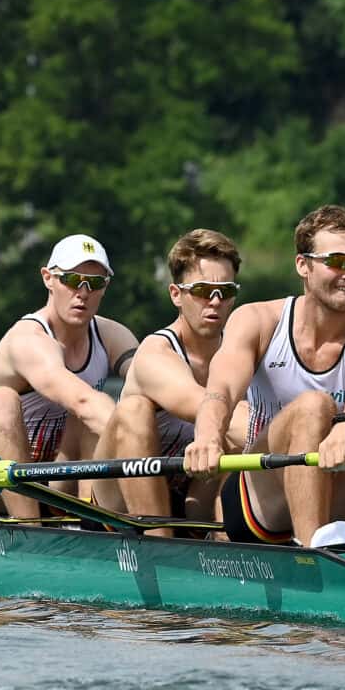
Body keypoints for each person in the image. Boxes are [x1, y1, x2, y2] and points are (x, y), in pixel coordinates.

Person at [186, 204, 345, 546]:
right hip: (260, 499)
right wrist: (206, 438)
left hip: (339, 487)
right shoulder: (257, 321)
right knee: (313, 407)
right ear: (303, 265)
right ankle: (313, 552)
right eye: (337, 262)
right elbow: (220, 391)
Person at [0, 233, 140, 520]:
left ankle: (96, 523)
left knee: (106, 414)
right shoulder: (29, 339)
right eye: (71, 280)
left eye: (94, 283)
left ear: (105, 288)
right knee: (3, 401)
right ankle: (29, 530)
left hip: (58, 478)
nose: (82, 292)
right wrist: (138, 444)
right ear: (48, 278)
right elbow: (83, 401)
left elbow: (148, 383)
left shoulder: (112, 335)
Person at [99, 228, 249, 536]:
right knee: (134, 410)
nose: (216, 302)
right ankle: (159, 546)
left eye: (227, 292)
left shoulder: (242, 353)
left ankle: (228, 547)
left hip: (192, 496)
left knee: (240, 440)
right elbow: (209, 408)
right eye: (204, 291)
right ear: (176, 294)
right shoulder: (155, 354)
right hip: (117, 507)